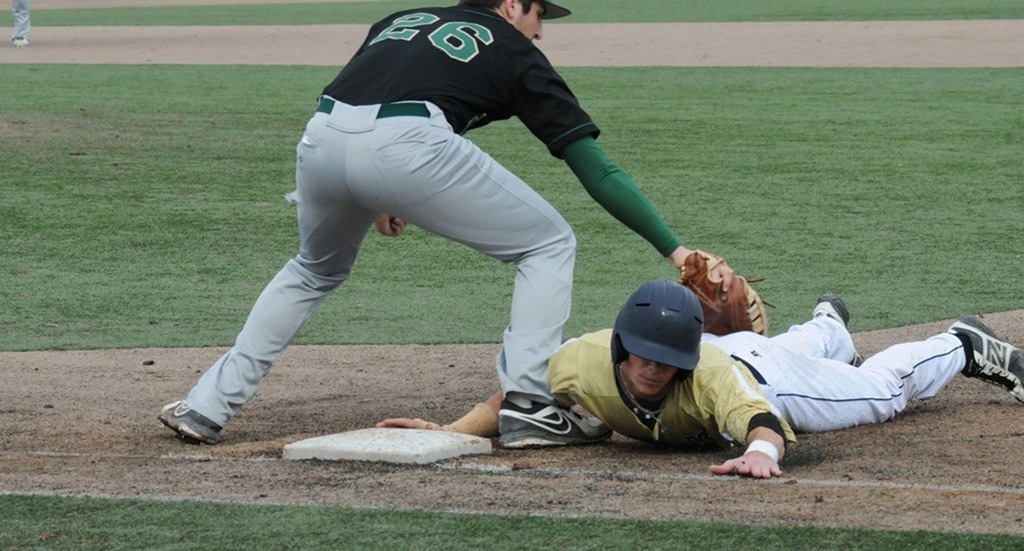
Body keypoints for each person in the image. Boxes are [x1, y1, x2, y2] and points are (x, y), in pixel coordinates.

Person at [157, 0, 735, 448]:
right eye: (538, 11)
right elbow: (594, 167)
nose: (540, 29)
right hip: (408, 144)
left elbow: (380, 96)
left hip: (323, 137)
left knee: (312, 271)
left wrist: (381, 190)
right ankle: (530, 403)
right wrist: (675, 249)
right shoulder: (514, 48)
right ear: (511, 4)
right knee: (548, 244)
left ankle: (207, 406)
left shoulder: (399, 20)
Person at [379, 279, 1024, 479]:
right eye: (643, 355)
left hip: (765, 376)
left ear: (686, 357)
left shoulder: (708, 372)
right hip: (739, 346)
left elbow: (762, 420)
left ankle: (961, 345)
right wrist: (449, 431)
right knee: (785, 346)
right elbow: (511, 398)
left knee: (880, 394)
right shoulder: (581, 359)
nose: (653, 367)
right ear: (622, 345)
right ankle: (828, 325)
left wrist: (762, 455)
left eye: (667, 359)